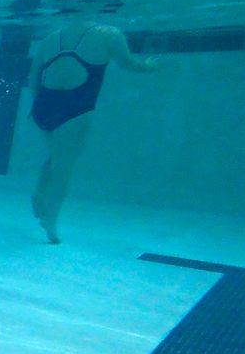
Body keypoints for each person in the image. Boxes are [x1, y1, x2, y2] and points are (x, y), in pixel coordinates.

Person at [28, 18, 159, 244]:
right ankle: (51, 222)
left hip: (43, 105)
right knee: (63, 170)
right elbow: (129, 64)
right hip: (75, 107)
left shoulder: (51, 38)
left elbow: (33, 79)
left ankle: (40, 193)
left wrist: (36, 107)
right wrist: (149, 65)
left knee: (55, 158)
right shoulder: (110, 33)